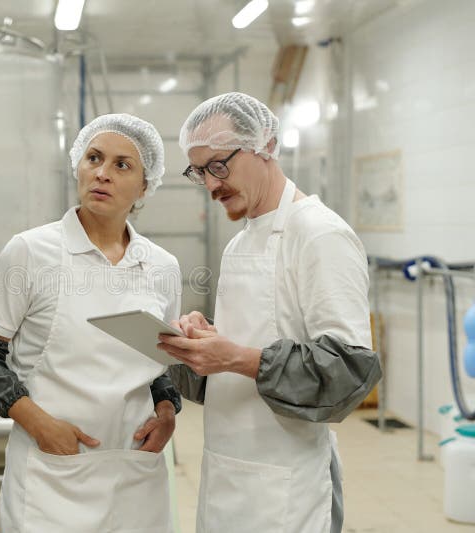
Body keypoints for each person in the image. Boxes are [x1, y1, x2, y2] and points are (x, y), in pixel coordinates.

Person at [158, 92, 382, 533]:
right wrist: (204, 341)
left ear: (266, 146)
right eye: (199, 171)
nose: (210, 185)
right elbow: (262, 341)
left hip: (288, 489)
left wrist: (234, 357)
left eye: (219, 166)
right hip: (227, 474)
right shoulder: (241, 242)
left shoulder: (320, 235)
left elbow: (349, 371)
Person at [0, 113, 182, 533]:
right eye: (94, 158)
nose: (102, 173)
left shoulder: (162, 267)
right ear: (77, 165)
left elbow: (156, 361)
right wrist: (41, 425)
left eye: (122, 165)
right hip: (50, 474)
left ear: (145, 186)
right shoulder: (30, 251)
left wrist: (168, 409)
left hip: (134, 471)